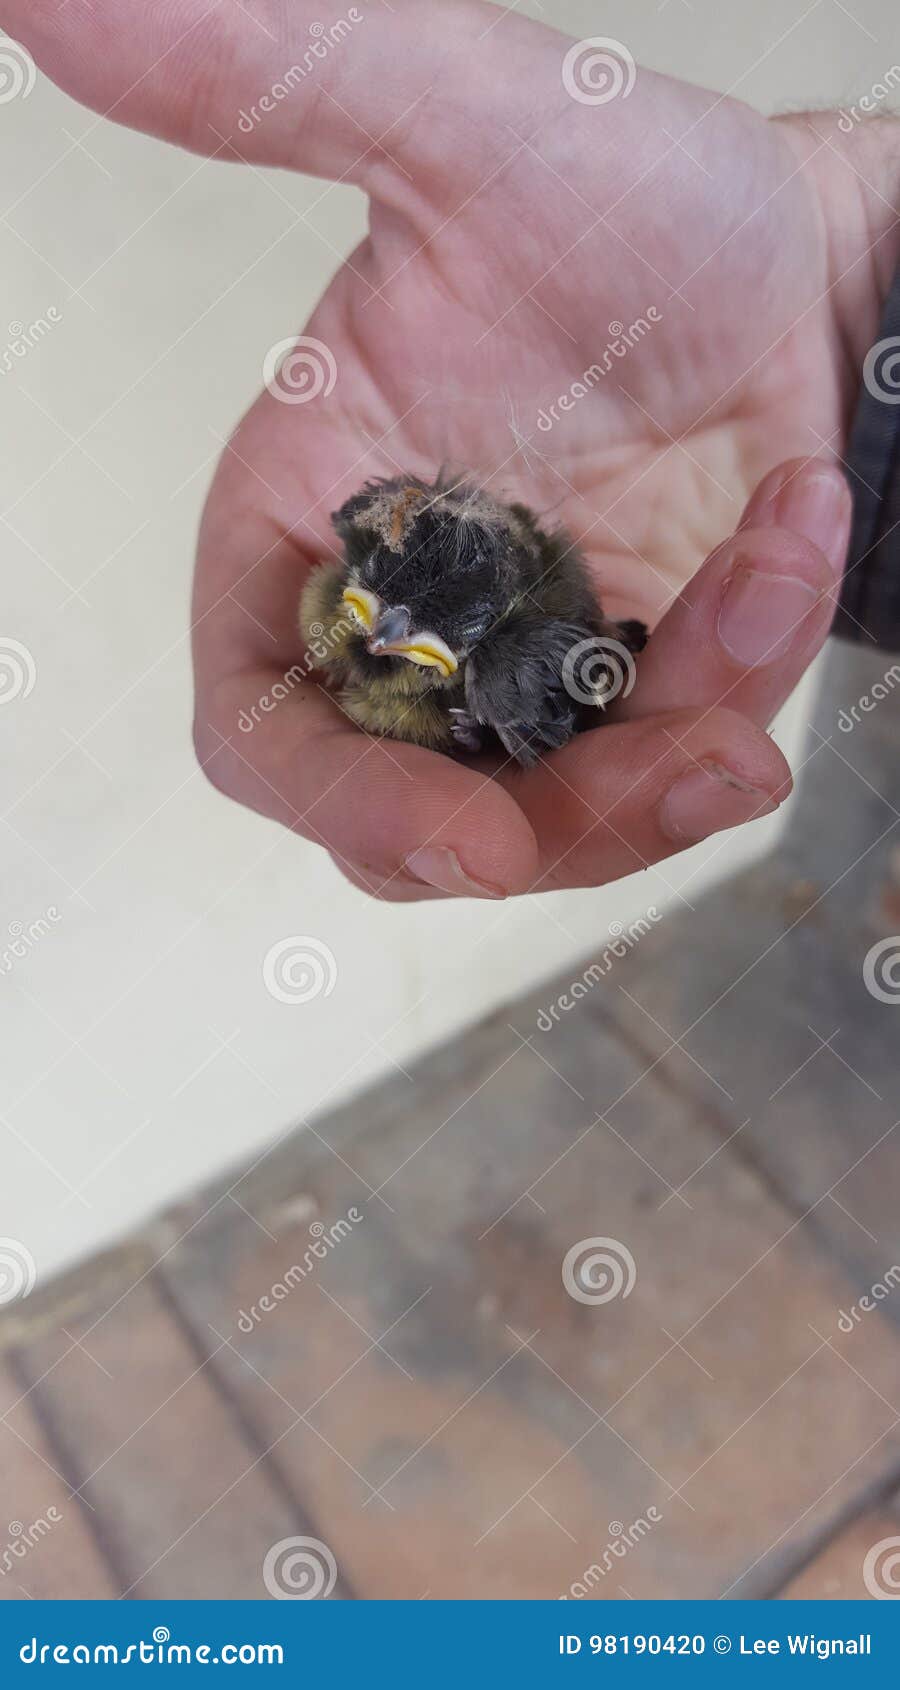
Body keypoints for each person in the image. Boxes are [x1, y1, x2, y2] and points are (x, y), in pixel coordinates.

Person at [11, 0, 898, 899]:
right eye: (390, 619)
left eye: (402, 627)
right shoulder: (370, 579)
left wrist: (851, 258)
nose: (386, 631)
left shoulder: (474, 648)